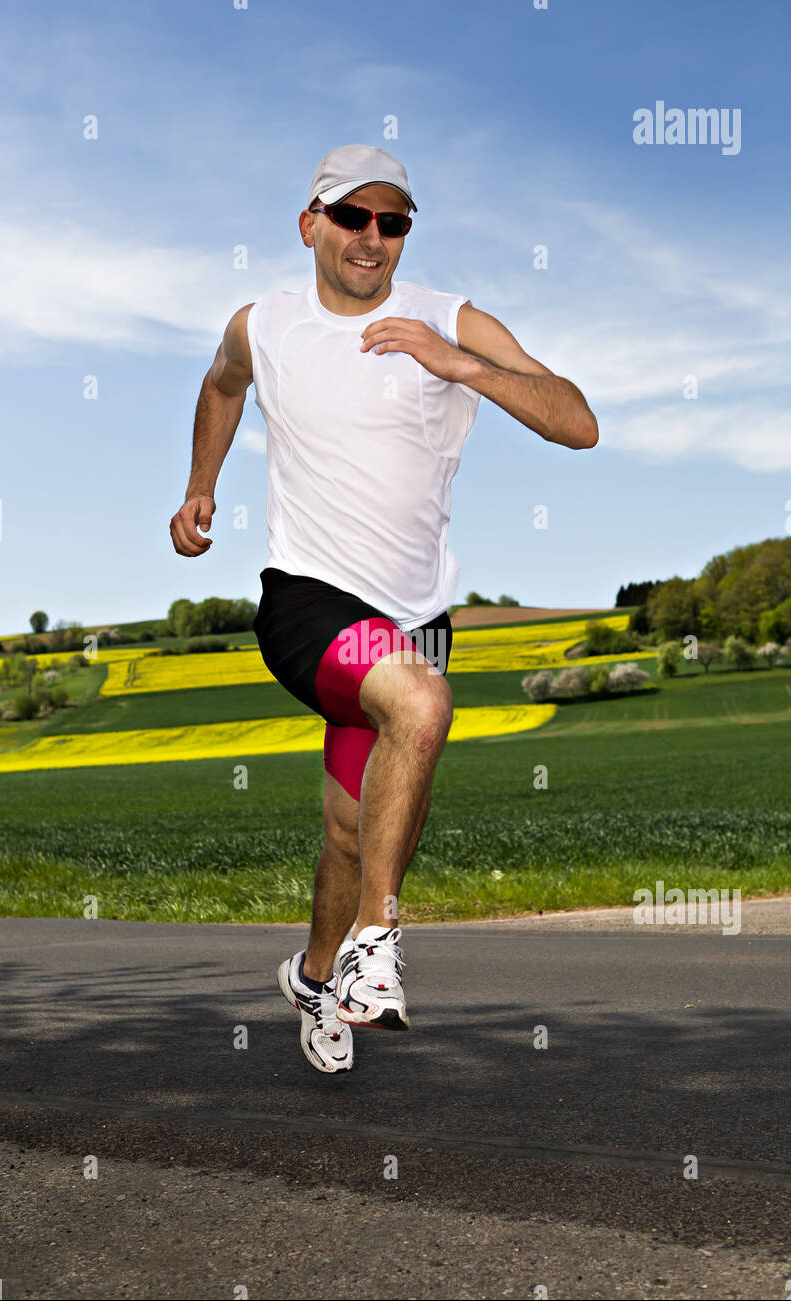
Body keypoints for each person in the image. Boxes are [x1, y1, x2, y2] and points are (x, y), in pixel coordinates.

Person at [170, 144, 597, 1074]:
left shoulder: (451, 318)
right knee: (421, 704)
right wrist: (200, 488)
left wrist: (458, 364)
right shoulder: (265, 323)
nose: (373, 238)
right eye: (354, 217)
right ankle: (378, 943)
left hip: (418, 614)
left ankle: (319, 973)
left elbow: (577, 421)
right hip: (309, 597)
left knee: (352, 828)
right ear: (310, 224)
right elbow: (221, 384)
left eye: (392, 221)